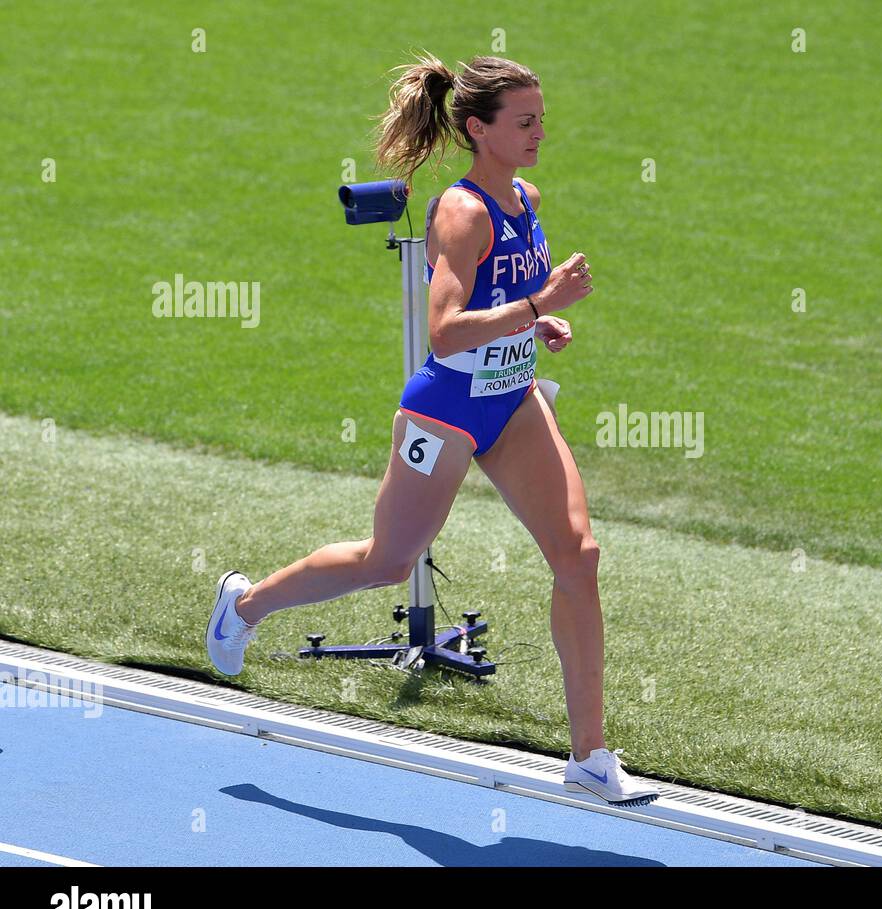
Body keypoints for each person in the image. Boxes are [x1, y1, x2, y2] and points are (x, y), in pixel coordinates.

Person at [205, 53, 658, 807]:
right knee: (387, 562)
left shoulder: (525, 197)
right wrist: (541, 301)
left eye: (541, 117)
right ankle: (245, 605)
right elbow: (445, 332)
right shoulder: (462, 211)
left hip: (511, 400)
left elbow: (503, 297)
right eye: (525, 121)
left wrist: (539, 326)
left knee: (578, 557)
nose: (541, 131)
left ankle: (590, 756)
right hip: (447, 409)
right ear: (479, 129)